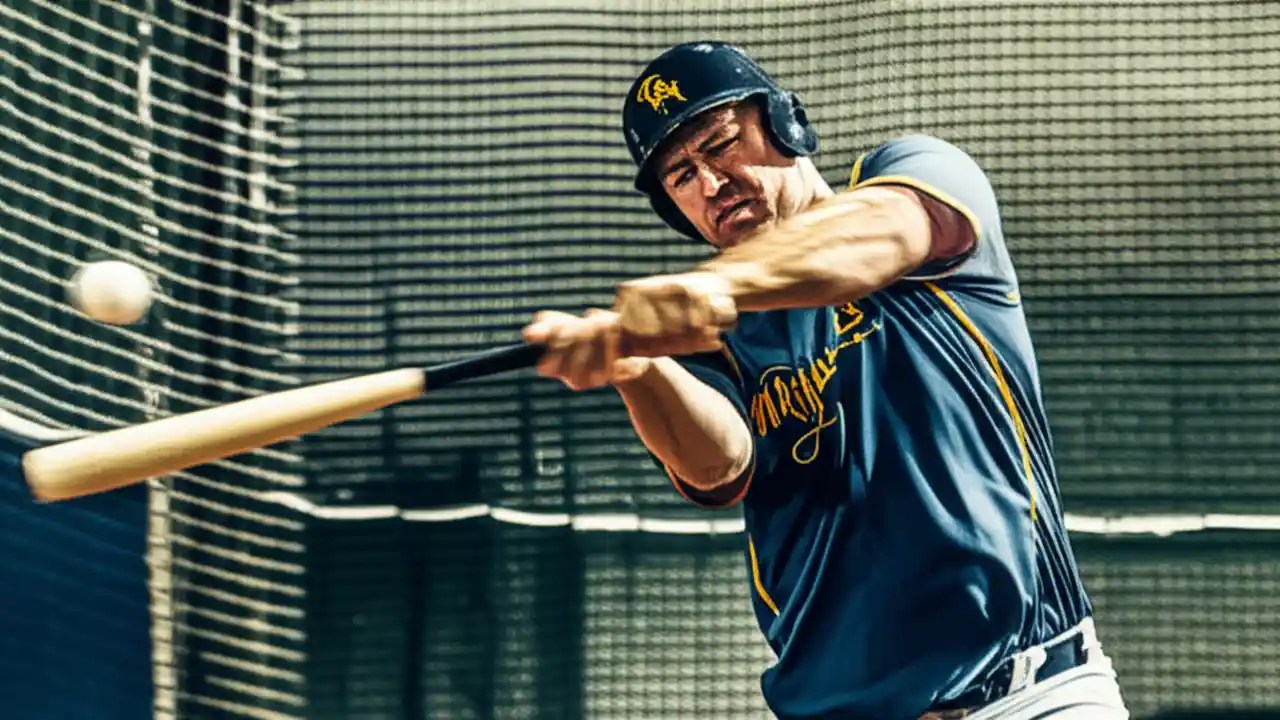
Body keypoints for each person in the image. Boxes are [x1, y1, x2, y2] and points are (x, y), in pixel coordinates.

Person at [522, 41, 1128, 720]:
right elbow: (721, 469)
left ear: (786, 123)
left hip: (1030, 695)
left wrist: (714, 288)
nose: (711, 184)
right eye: (681, 176)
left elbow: (877, 236)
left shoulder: (917, 178)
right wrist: (636, 366)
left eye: (721, 144)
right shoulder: (725, 334)